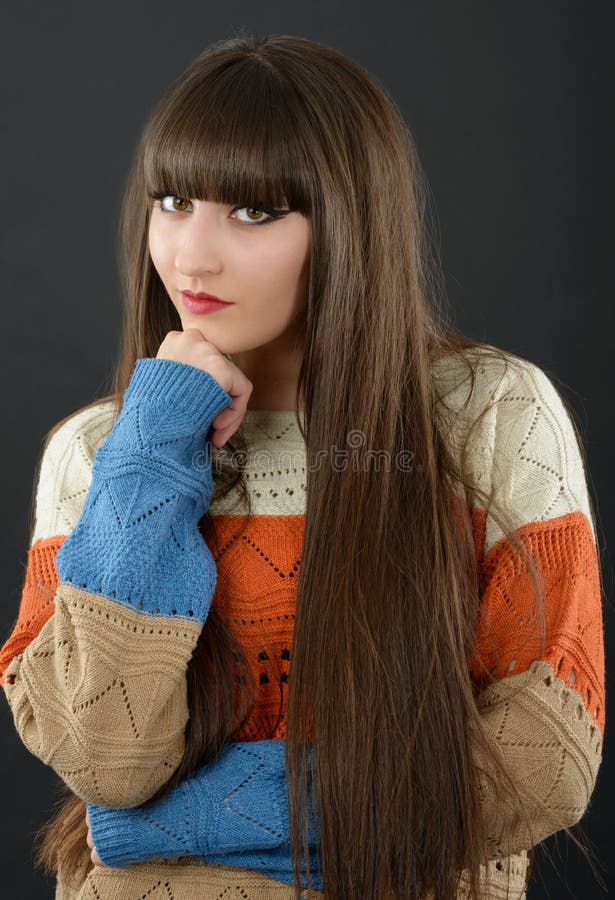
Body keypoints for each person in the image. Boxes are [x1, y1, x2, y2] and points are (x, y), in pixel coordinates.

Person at [0, 33, 605, 900]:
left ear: (350, 221)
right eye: (172, 200)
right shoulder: (103, 451)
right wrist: (155, 442)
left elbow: (546, 760)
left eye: (254, 212)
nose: (190, 255)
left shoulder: (489, 415)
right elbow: (109, 757)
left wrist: (168, 827)